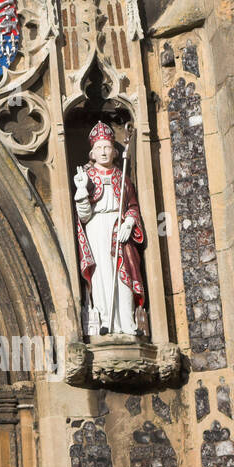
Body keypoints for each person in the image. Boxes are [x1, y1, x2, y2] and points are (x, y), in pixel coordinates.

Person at [73, 122, 146, 337]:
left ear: (114, 151)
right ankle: (106, 321)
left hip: (119, 227)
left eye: (107, 147)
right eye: (99, 148)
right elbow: (84, 215)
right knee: (102, 275)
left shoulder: (122, 178)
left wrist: (129, 223)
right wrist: (80, 190)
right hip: (96, 228)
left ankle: (127, 321)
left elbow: (132, 206)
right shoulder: (87, 178)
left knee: (124, 274)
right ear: (92, 153)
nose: (103, 152)